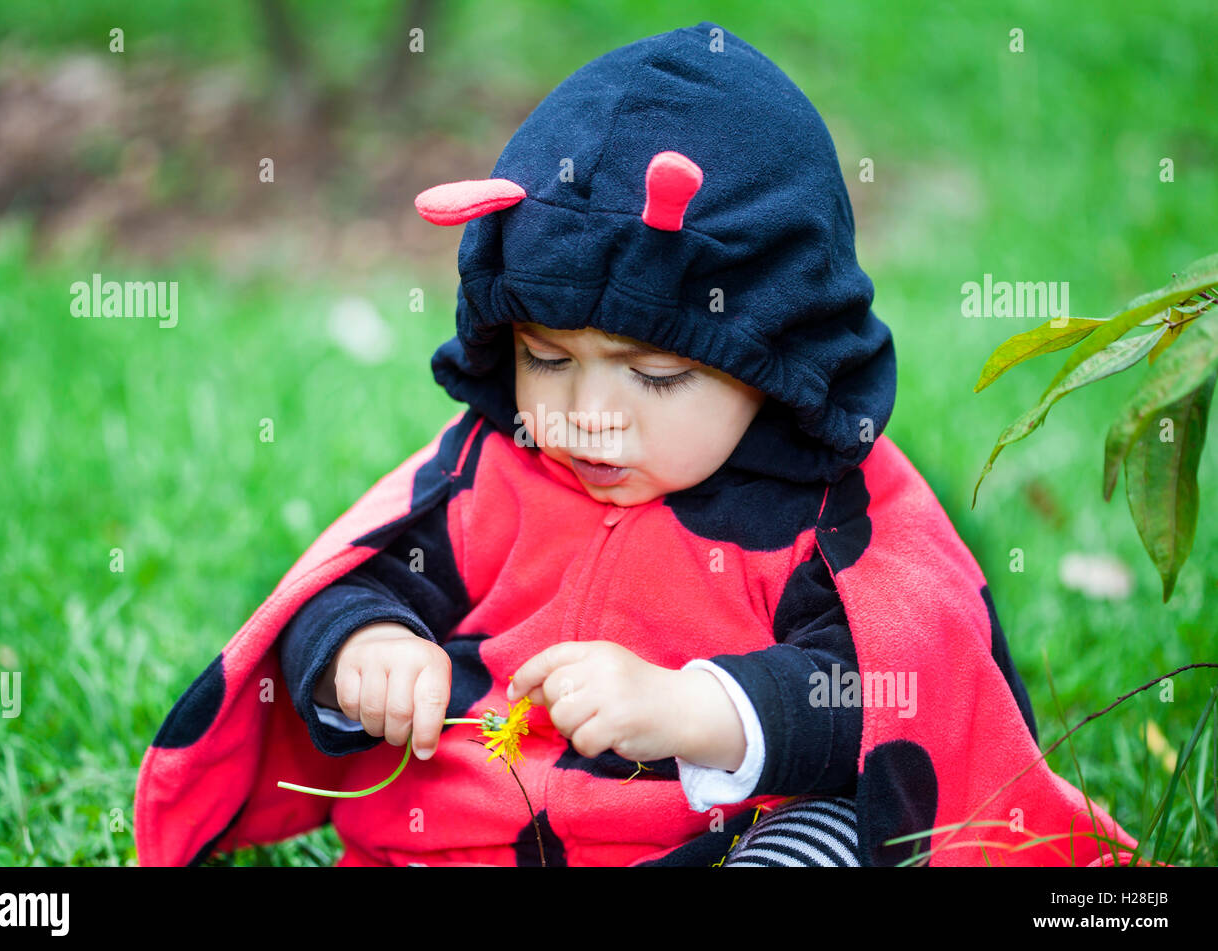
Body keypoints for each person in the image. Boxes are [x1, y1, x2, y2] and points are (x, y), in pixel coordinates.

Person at [134, 21, 1137, 867]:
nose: (587, 414)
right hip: (485, 831)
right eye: (545, 357)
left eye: (654, 374)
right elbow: (362, 578)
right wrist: (363, 646)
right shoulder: (496, 470)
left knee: (850, 835)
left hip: (719, 837)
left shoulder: (821, 513)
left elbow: (891, 692)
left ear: (772, 355)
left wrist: (699, 707)